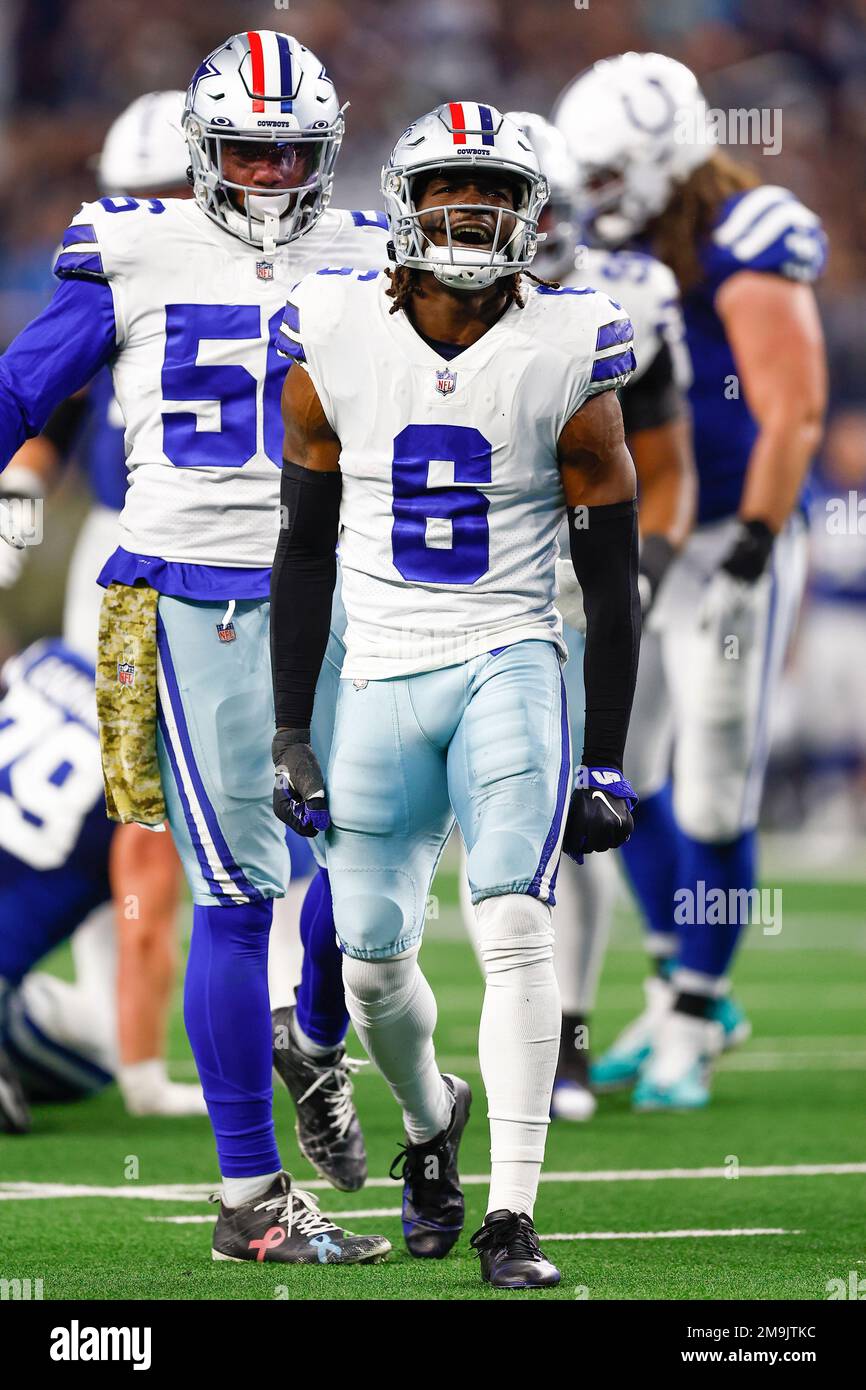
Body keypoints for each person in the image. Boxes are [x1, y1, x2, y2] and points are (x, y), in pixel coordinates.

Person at [0, 30, 390, 1266]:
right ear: (200, 153)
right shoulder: (128, 243)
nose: (271, 177)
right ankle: (247, 1196)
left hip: (334, 587)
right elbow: (17, 391)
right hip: (171, 596)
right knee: (214, 886)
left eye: (291, 153)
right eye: (247, 152)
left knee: (382, 856)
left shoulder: (377, 248)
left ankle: (310, 1032)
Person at [270, 102, 641, 1288]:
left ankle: (513, 1219)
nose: (467, 209)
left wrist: (607, 756)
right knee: (373, 960)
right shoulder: (329, 325)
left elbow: (608, 569)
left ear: (530, 212)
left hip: (507, 660)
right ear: (402, 201)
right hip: (376, 669)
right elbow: (303, 544)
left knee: (512, 924)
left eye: (490, 189)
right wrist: (288, 722)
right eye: (445, 188)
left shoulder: (569, 342)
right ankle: (432, 1127)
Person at [554, 53, 828, 1109]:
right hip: (641, 537)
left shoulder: (745, 233)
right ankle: (681, 982)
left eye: (615, 170)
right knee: (622, 765)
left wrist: (757, 531)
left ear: (667, 156)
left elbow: (791, 406)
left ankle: (693, 1007)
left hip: (728, 540)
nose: (596, 193)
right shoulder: (604, 235)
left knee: (713, 786)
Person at [457, 111, 698, 1123]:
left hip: (568, 589)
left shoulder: (621, 300)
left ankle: (568, 1036)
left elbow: (669, 468)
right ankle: (345, 1027)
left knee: (572, 816)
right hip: (444, 587)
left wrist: (633, 573)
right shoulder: (406, 293)